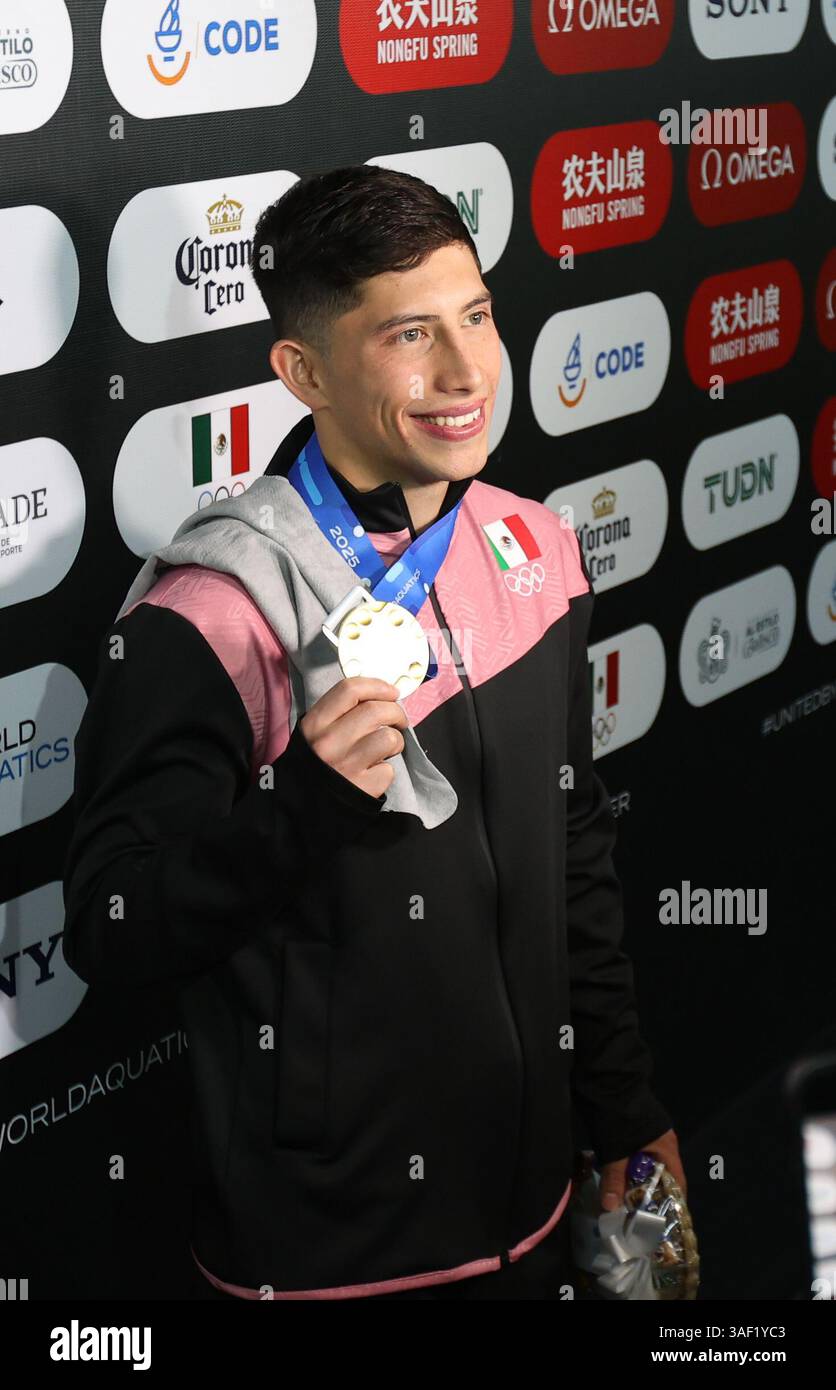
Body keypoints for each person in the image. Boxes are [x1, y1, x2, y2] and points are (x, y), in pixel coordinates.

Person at [62, 165, 685, 1302]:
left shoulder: (533, 552)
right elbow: (110, 926)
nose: (466, 375)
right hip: (325, 1256)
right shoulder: (205, 615)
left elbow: (574, 860)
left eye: (477, 317)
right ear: (303, 371)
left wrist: (624, 1114)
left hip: (537, 1203)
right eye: (409, 335)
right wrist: (297, 807)